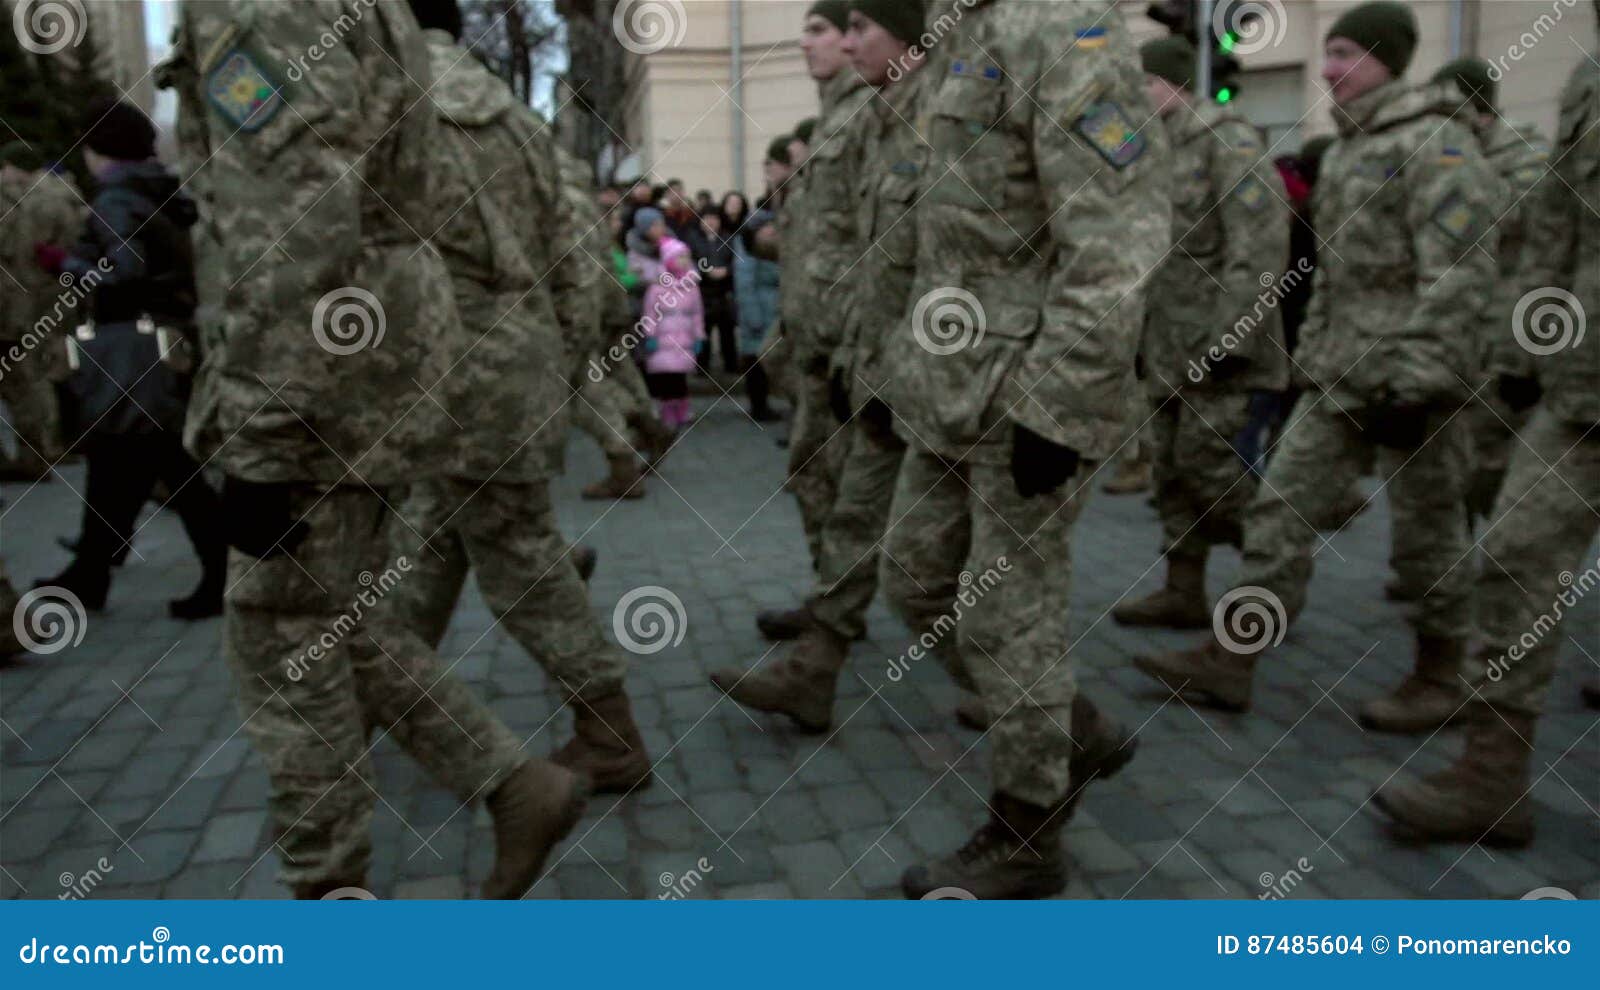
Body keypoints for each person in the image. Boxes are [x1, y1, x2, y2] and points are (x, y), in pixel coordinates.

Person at [159, 0, 583, 899]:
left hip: (317, 379)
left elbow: (296, 222)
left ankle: (334, 898)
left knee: (284, 642)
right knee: (319, 617)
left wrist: (264, 436)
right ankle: (512, 785)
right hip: (362, 362)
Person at [1135, 2, 1500, 734]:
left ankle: (1441, 672)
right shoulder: (1354, 146)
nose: (1329, 70)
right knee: (1277, 512)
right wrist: (1313, 361)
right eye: (1327, 54)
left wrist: (1424, 374)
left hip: (1419, 383)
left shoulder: (1438, 145)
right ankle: (1231, 658)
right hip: (1340, 376)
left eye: (1343, 55)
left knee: (1428, 533)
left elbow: (1461, 272)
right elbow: (1331, 275)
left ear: (1386, 60)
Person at [875, 0, 1167, 899]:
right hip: (950, 380)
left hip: (1029, 385)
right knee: (913, 578)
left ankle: (1028, 829)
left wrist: (1062, 402)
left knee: (1007, 617)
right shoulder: (962, 30)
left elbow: (1117, 237)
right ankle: (1067, 729)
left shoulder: (1063, 25)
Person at [372, 2, 653, 797]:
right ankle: (384, 694)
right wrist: (559, 366)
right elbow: (575, 257)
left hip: (447, 371)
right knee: (432, 543)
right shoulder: (516, 120)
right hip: (513, 365)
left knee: (521, 566)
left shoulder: (389, 101)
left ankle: (611, 733)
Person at [1373, 1, 1600, 843]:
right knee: (1509, 557)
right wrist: (1522, 358)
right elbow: (1557, 237)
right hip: (1580, 390)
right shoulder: (1586, 82)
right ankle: (1490, 777)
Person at [1111, 36, 1289, 631]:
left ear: (1172, 84)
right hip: (1166, 347)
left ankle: (1276, 577)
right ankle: (1182, 589)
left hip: (1219, 353)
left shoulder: (1228, 139)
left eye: (1142, 85)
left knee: (1217, 475)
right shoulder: (1154, 148)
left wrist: (1232, 339)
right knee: (1172, 474)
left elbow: (1258, 245)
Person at [31, 98, 226, 620]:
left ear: (101, 148)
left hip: (131, 350)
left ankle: (218, 573)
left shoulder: (118, 196)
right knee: (124, 460)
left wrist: (65, 264)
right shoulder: (158, 187)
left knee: (162, 464)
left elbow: (122, 271)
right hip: (159, 344)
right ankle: (90, 573)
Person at [758, 0, 873, 642]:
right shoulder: (831, 122)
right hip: (816, 344)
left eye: (821, 31)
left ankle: (839, 609)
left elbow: (883, 242)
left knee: (869, 498)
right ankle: (833, 605)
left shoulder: (865, 117)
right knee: (816, 476)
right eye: (805, 32)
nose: (808, 45)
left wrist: (855, 347)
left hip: (849, 350)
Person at [0, 143, 78, 484]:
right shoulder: (39, 199)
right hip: (29, 298)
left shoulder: (14, 201)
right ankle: (36, 452)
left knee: (24, 377)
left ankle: (33, 452)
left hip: (13, 298)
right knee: (26, 377)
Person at [733, 146, 787, 423]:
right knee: (756, 359)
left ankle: (766, 405)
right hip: (759, 306)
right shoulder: (751, 233)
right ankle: (758, 406)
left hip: (774, 305)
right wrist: (751, 313)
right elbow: (744, 276)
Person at [640, 243, 705, 429]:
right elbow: (650, 313)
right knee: (666, 377)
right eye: (679, 257)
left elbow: (697, 313)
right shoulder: (657, 287)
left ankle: (683, 408)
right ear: (668, 260)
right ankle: (667, 409)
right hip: (662, 339)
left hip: (684, 339)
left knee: (680, 377)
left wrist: (698, 336)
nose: (684, 261)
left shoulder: (692, 286)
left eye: (686, 257)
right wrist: (650, 335)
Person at [697, 209, 739, 374]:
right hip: (702, 292)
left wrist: (727, 271)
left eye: (714, 218)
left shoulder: (729, 238)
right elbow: (690, 260)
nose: (711, 222)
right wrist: (706, 271)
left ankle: (731, 366)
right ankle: (702, 366)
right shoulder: (694, 239)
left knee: (727, 332)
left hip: (725, 292)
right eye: (707, 218)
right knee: (703, 332)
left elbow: (737, 261)